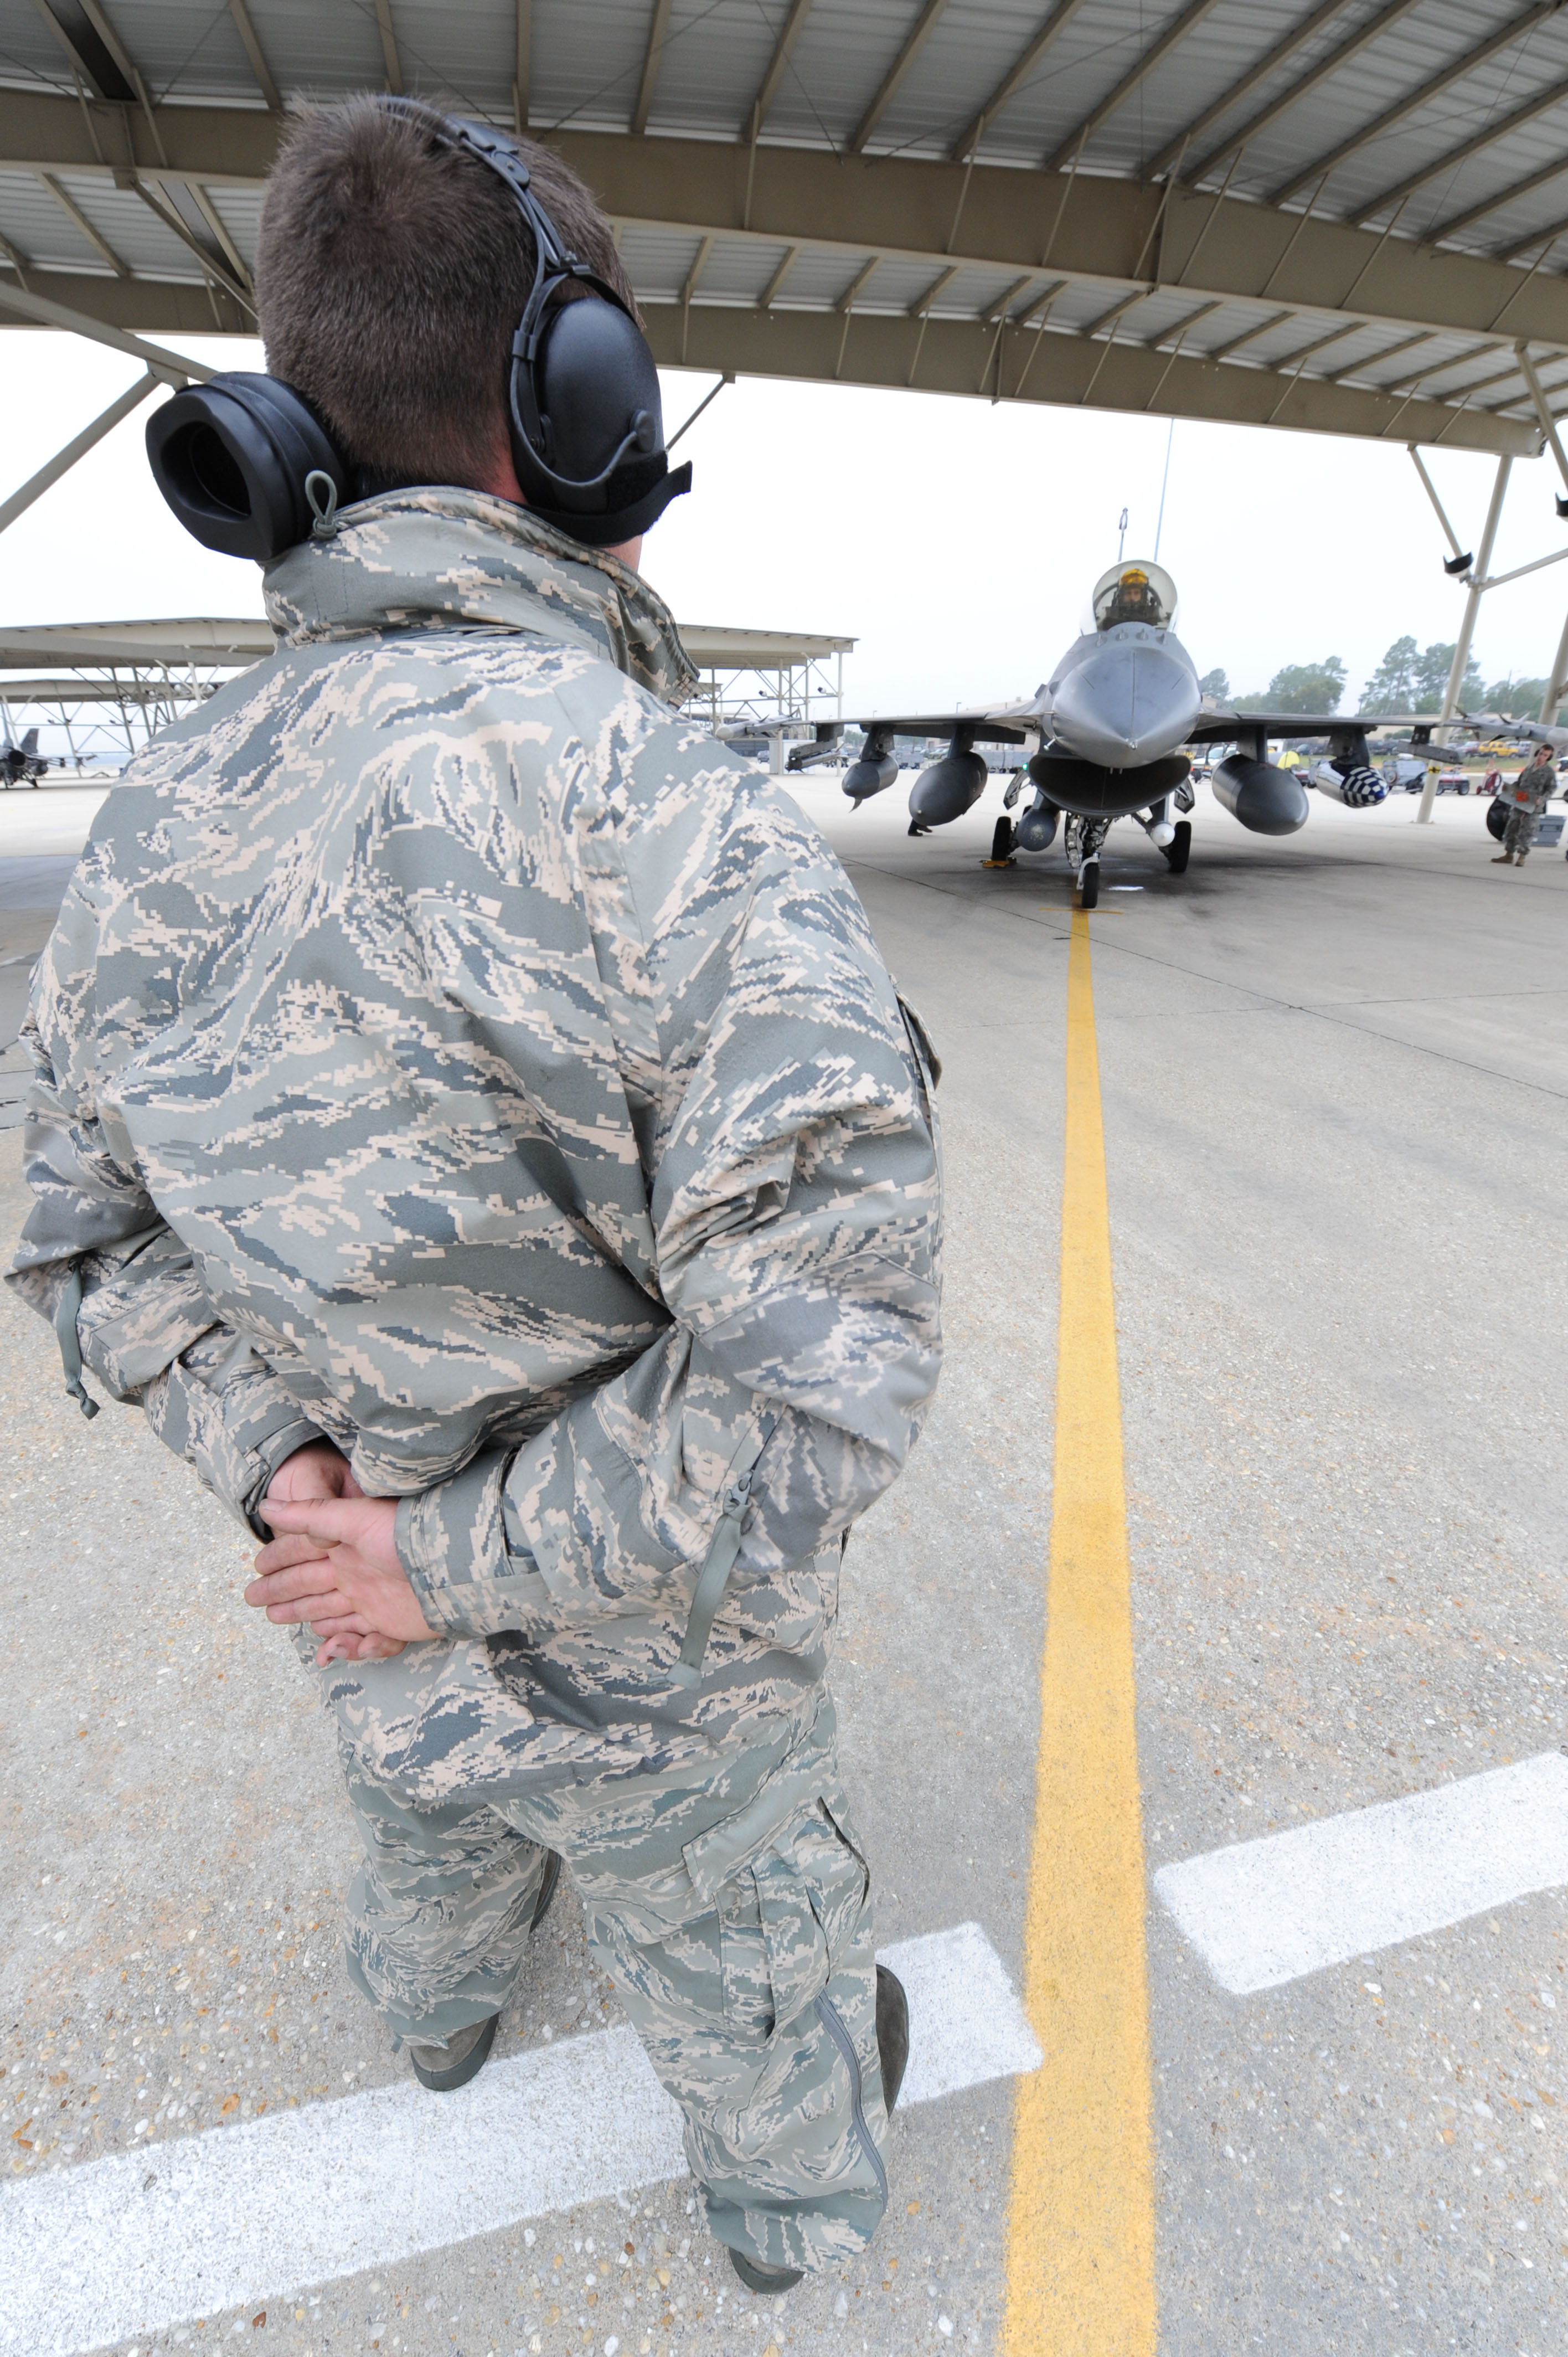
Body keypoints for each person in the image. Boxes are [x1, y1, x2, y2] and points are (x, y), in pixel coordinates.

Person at [6, 96, 942, 2293]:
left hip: (364, 1624)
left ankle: (436, 2023)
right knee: (758, 2008)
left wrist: (318, 1496)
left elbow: (83, 1234)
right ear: (581, 405)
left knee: (425, 1868)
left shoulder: (144, 832)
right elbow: (822, 1396)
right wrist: (438, 1561)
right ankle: (791, 2210)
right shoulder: (673, 820)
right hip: (660, 1697)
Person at [1493, 742, 1557, 863]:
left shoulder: (1549, 772)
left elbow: (1552, 788)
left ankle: (1522, 856)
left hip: (1534, 806)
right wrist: (1509, 788)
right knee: (1512, 826)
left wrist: (1542, 799)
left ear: (1549, 757)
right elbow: (1519, 783)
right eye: (1541, 754)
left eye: (1545, 755)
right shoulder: (1528, 769)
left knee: (1528, 830)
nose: (1541, 757)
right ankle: (1509, 854)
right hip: (1520, 802)